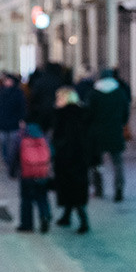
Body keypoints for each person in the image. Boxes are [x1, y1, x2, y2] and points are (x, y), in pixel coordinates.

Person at [86, 67, 131, 201]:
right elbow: (126, 112)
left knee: (97, 162)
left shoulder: (94, 93)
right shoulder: (120, 93)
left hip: (97, 133)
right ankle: (119, 189)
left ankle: (99, 189)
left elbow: (88, 114)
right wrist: (121, 123)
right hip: (115, 131)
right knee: (117, 162)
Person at [51, 86, 90, 233]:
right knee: (68, 189)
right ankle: (66, 216)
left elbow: (69, 139)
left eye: (59, 98)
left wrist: (59, 148)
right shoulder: (74, 113)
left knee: (74, 191)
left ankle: (84, 221)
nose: (57, 101)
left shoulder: (68, 116)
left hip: (71, 160)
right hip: (74, 159)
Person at [16, 122, 53, 233]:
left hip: (27, 175)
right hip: (42, 175)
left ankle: (27, 225)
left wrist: (13, 172)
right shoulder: (44, 140)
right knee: (42, 198)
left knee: (26, 200)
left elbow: (14, 157)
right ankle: (45, 215)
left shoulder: (22, 140)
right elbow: (52, 154)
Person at [0, 74, 27, 178]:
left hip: (14, 123)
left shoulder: (18, 93)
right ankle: (7, 160)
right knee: (3, 142)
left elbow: (22, 107)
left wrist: (22, 119)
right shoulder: (0, 92)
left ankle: (11, 163)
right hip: (2, 122)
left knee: (12, 144)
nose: (7, 82)